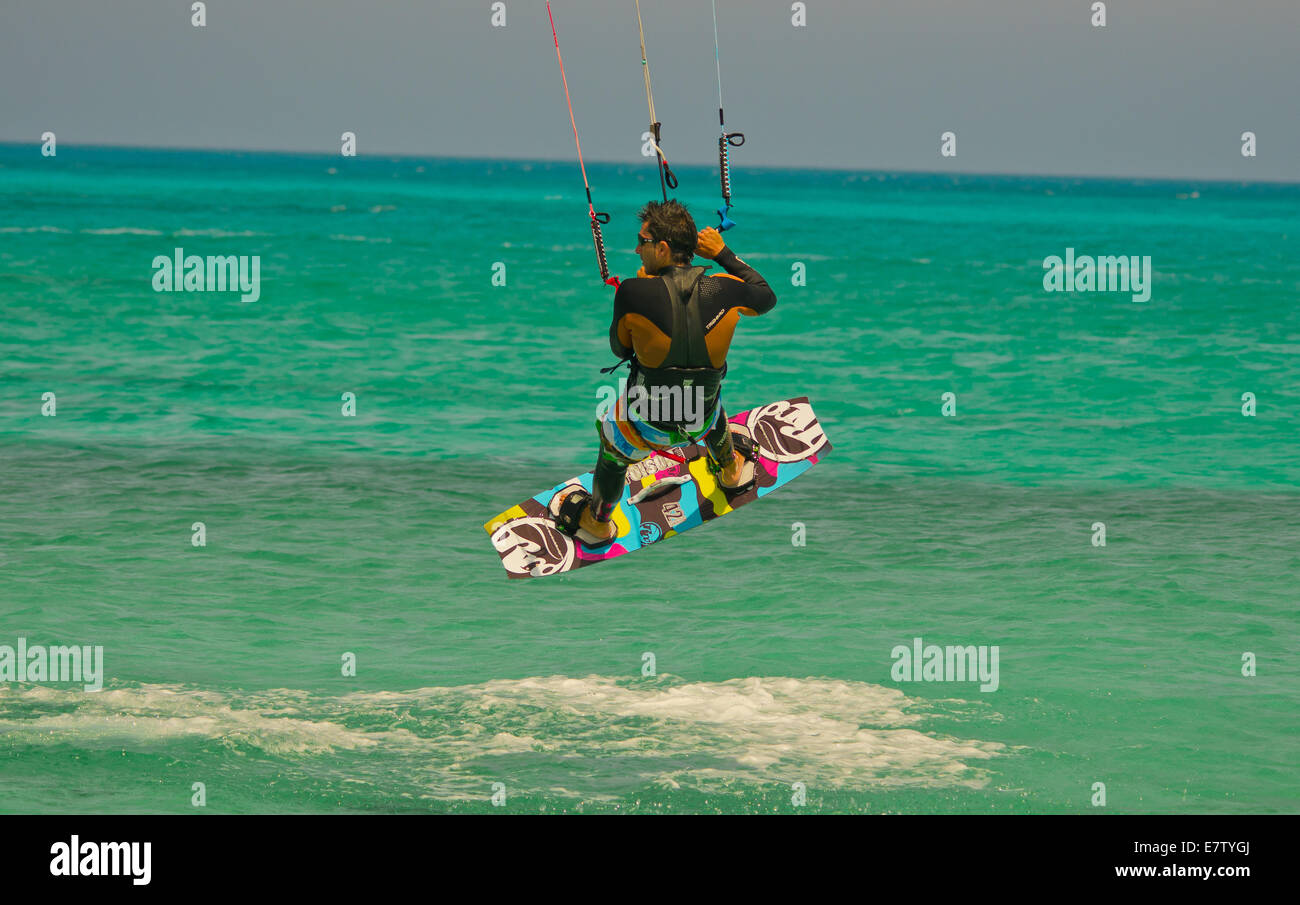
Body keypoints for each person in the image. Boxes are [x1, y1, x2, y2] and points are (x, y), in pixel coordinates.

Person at [553, 199, 777, 545]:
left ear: (661, 248)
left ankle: (597, 524)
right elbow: (766, 296)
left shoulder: (632, 292)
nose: (635, 249)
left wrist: (644, 289)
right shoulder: (725, 287)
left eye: (641, 242)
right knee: (710, 394)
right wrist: (722, 254)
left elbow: (620, 349)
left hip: (646, 426)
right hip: (701, 419)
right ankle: (731, 471)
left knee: (612, 446)